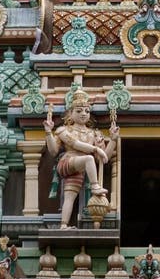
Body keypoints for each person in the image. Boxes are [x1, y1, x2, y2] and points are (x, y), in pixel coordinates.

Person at [43, 89, 119, 229]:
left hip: (79, 170)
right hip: (67, 162)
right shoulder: (64, 130)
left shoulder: (94, 133)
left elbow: (104, 157)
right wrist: (48, 132)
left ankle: (64, 225)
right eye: (79, 111)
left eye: (86, 111)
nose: (83, 114)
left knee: (70, 196)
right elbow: (56, 150)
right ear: (70, 113)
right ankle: (95, 186)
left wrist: (113, 140)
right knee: (89, 159)